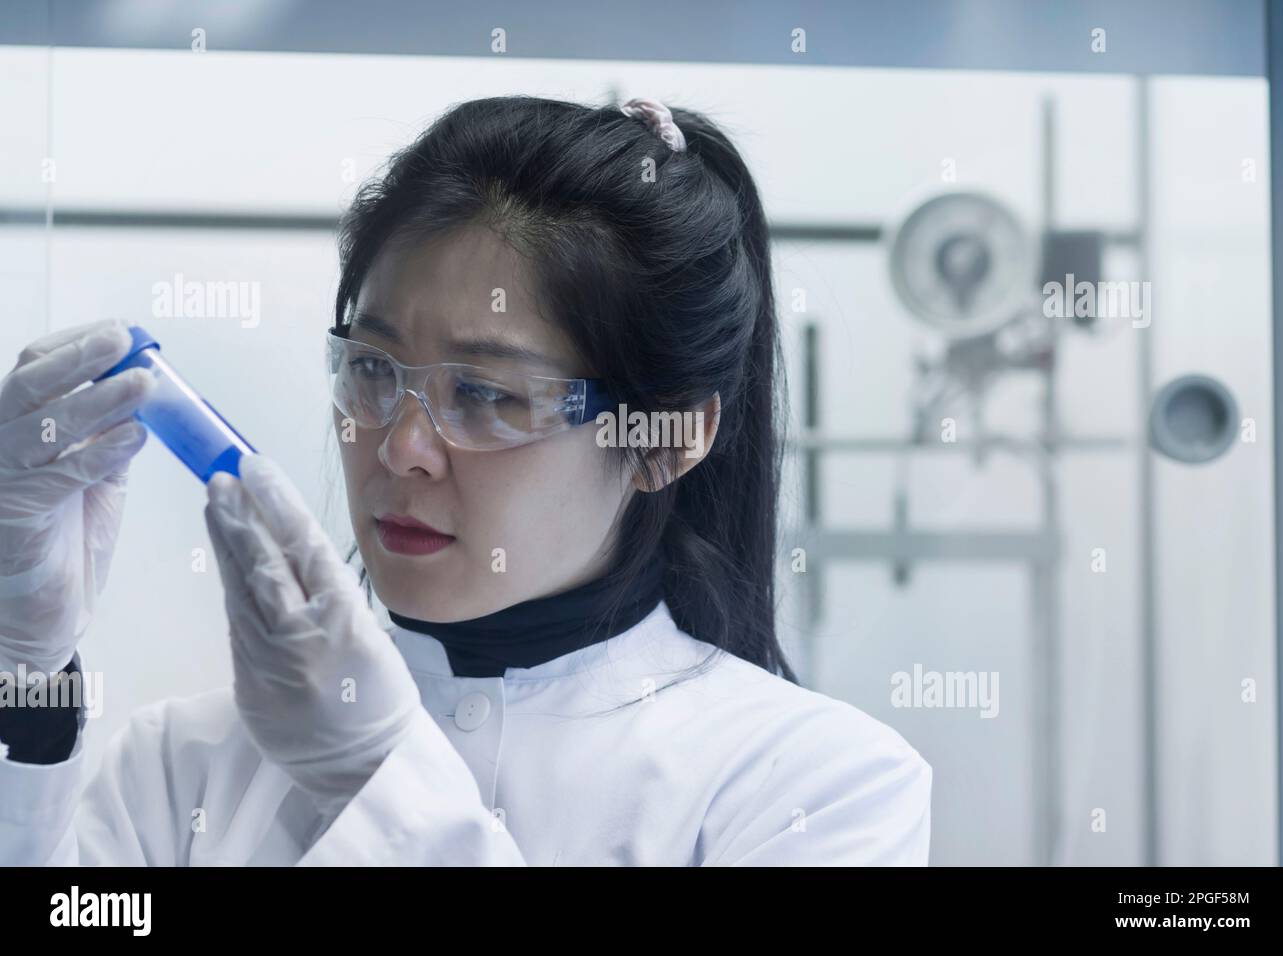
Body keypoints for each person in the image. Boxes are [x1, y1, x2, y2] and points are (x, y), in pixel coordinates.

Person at [0, 95, 932, 865]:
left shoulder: (817, 788)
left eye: (485, 393)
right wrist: (23, 678)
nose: (401, 446)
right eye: (371, 368)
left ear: (667, 438)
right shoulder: (183, 771)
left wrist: (377, 775)